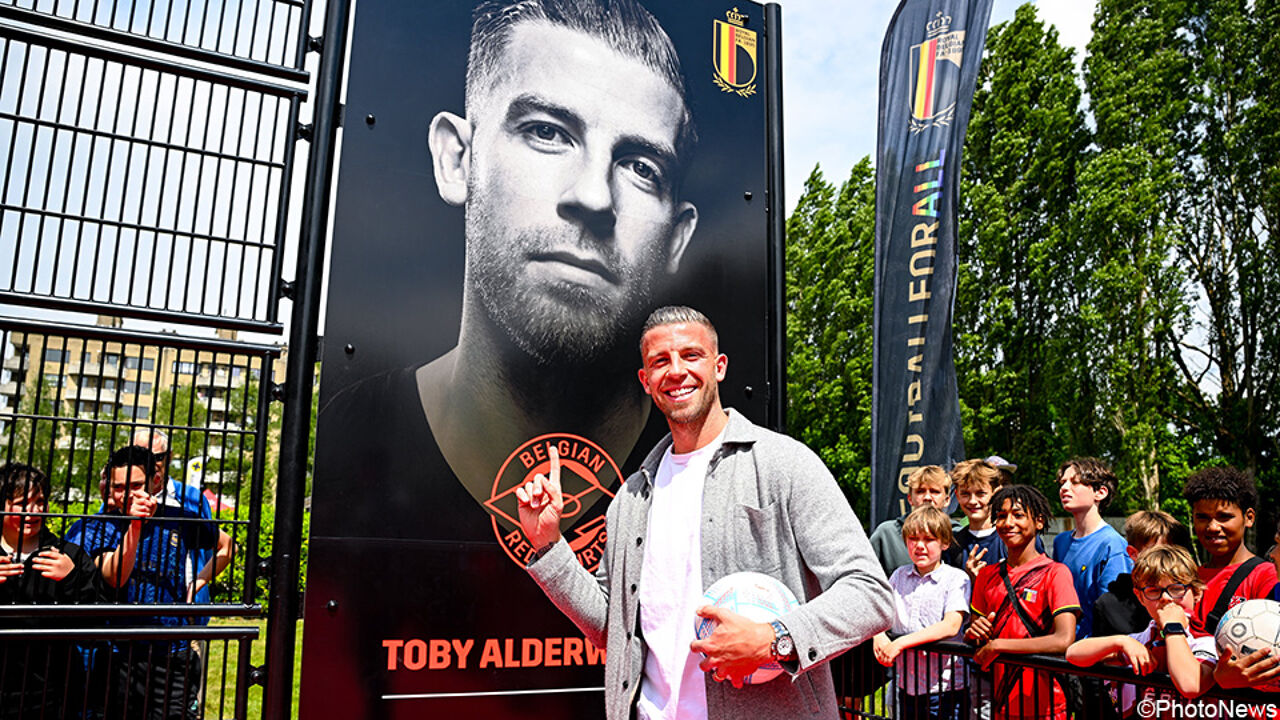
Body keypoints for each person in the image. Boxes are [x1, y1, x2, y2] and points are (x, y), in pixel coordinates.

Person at [320, 0, 701, 536]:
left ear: (677, 236)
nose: (594, 197)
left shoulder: (711, 472)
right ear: (458, 160)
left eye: (641, 168)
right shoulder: (353, 428)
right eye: (547, 132)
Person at [517, 306, 893, 720]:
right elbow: (613, 628)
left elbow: (870, 594)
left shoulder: (783, 463)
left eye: (691, 355)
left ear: (719, 367)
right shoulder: (631, 497)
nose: (676, 371)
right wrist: (548, 543)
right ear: (646, 381)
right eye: (660, 361)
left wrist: (775, 640)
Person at [67, 445, 227, 720]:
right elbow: (114, 576)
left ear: (155, 482)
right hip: (116, 653)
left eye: (136, 485)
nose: (127, 494)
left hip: (172, 651)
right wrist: (135, 525)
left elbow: (227, 547)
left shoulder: (175, 518)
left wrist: (196, 584)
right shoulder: (93, 526)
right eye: (119, 487)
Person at [0, 463, 105, 720]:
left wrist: (72, 580)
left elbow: (96, 627)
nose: (33, 511)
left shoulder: (68, 555)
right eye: (22, 502)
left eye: (41, 501)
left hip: (52, 694)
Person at [965, 484, 1079, 720]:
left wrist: (999, 645)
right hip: (1001, 705)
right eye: (1001, 516)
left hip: (1049, 706)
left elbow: (1063, 639)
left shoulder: (1056, 573)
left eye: (1017, 515)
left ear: (1038, 522)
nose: (1007, 523)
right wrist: (974, 632)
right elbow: (975, 638)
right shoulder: (986, 576)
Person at [1067, 545, 1218, 715]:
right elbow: (1073, 655)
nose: (1166, 598)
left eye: (1176, 589)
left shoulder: (1207, 643)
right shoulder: (1140, 640)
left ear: (1196, 592)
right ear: (1140, 597)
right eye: (1154, 591)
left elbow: (1190, 685)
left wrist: (1173, 628)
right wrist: (1121, 641)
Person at [873, 505, 969, 720]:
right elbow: (878, 612)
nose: (920, 546)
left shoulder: (956, 578)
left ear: (944, 543)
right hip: (906, 686)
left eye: (929, 539)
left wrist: (900, 642)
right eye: (913, 539)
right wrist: (878, 636)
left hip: (945, 690)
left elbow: (951, 625)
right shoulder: (898, 576)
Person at [130, 427, 232, 614]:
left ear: (169, 456)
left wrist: (197, 586)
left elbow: (215, 548)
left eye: (157, 458)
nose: (149, 464)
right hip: (132, 606)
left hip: (184, 608)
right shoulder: (121, 498)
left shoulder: (191, 499)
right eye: (141, 457)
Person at [1182, 466, 1276, 636]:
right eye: (1202, 517)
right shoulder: (1187, 577)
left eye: (1224, 517)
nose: (1212, 527)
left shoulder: (1266, 577)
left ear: (1249, 518)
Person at [1053, 457, 1131, 639]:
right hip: (1058, 649)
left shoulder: (1113, 545)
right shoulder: (1060, 542)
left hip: (1092, 653)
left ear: (1100, 493)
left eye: (1075, 482)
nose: (1064, 488)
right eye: (1063, 482)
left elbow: (1113, 615)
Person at [1092, 510, 1192, 638]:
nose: (1167, 560)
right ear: (1133, 553)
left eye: (1175, 552)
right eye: (1158, 552)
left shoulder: (1186, 595)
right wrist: (1122, 644)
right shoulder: (1109, 605)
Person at [948, 458, 1044, 580]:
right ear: (957, 495)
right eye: (965, 494)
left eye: (980, 493)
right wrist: (968, 581)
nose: (972, 501)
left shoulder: (1018, 538)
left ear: (996, 493)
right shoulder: (951, 544)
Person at [869, 465, 957, 577]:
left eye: (934, 492)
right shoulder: (886, 534)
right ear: (910, 498)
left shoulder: (957, 534)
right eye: (920, 491)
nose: (927, 497)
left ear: (947, 500)